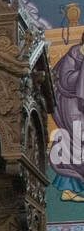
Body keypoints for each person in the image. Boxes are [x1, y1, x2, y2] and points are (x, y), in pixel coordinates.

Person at [50, 33, 84, 200]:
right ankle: (68, 189)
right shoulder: (74, 54)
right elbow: (65, 82)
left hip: (80, 104)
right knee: (76, 140)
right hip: (69, 104)